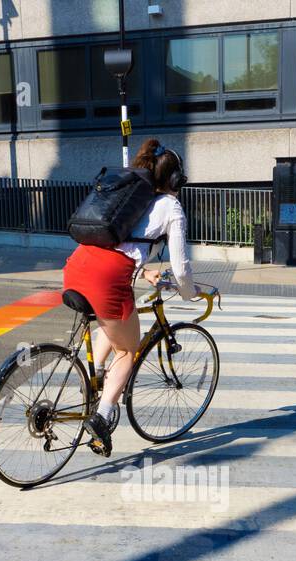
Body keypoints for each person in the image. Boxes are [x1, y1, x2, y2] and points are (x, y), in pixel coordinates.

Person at [62, 138, 200, 456]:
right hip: (108, 280)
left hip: (77, 265)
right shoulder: (171, 207)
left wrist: (146, 271)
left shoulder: (131, 194)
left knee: (115, 323)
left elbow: (122, 243)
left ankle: (94, 379)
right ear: (177, 180)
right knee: (128, 350)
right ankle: (102, 415)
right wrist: (189, 293)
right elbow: (181, 268)